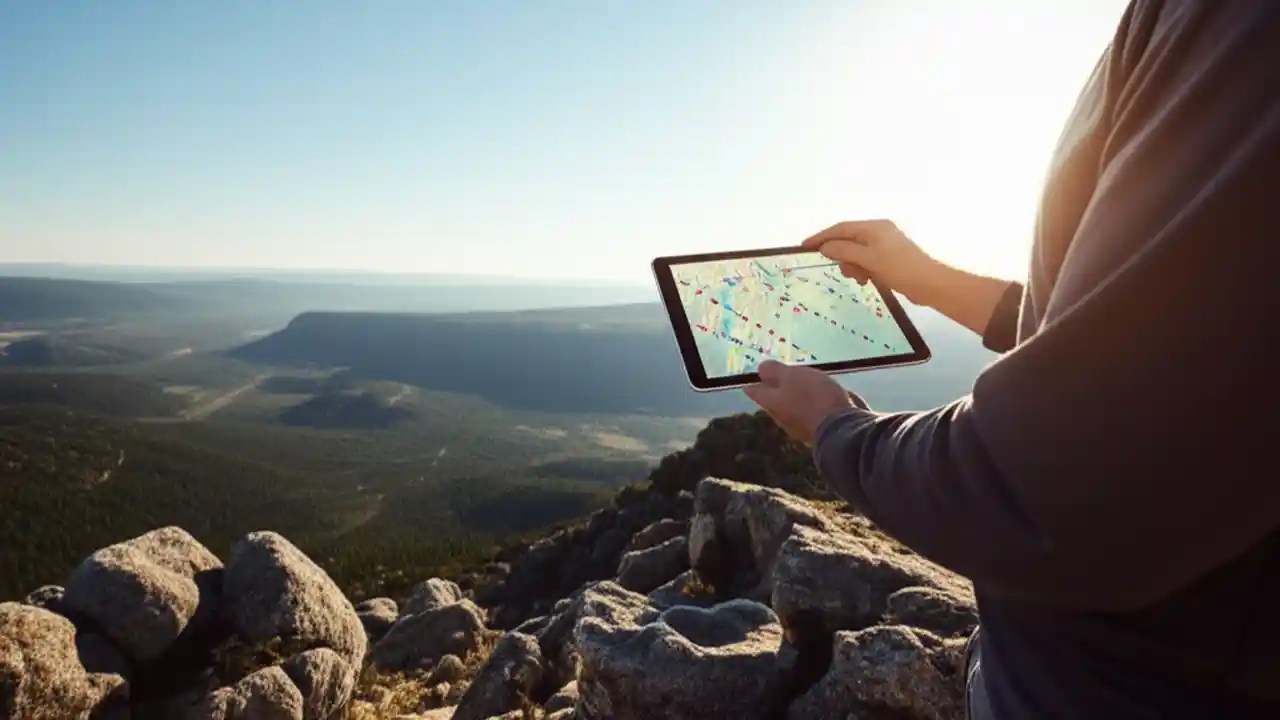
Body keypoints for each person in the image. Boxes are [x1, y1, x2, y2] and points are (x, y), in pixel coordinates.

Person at [743, 1, 1280, 717]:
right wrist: (932, 280)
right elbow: (1151, 340)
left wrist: (836, 429)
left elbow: (1047, 477)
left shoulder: (1242, 28)